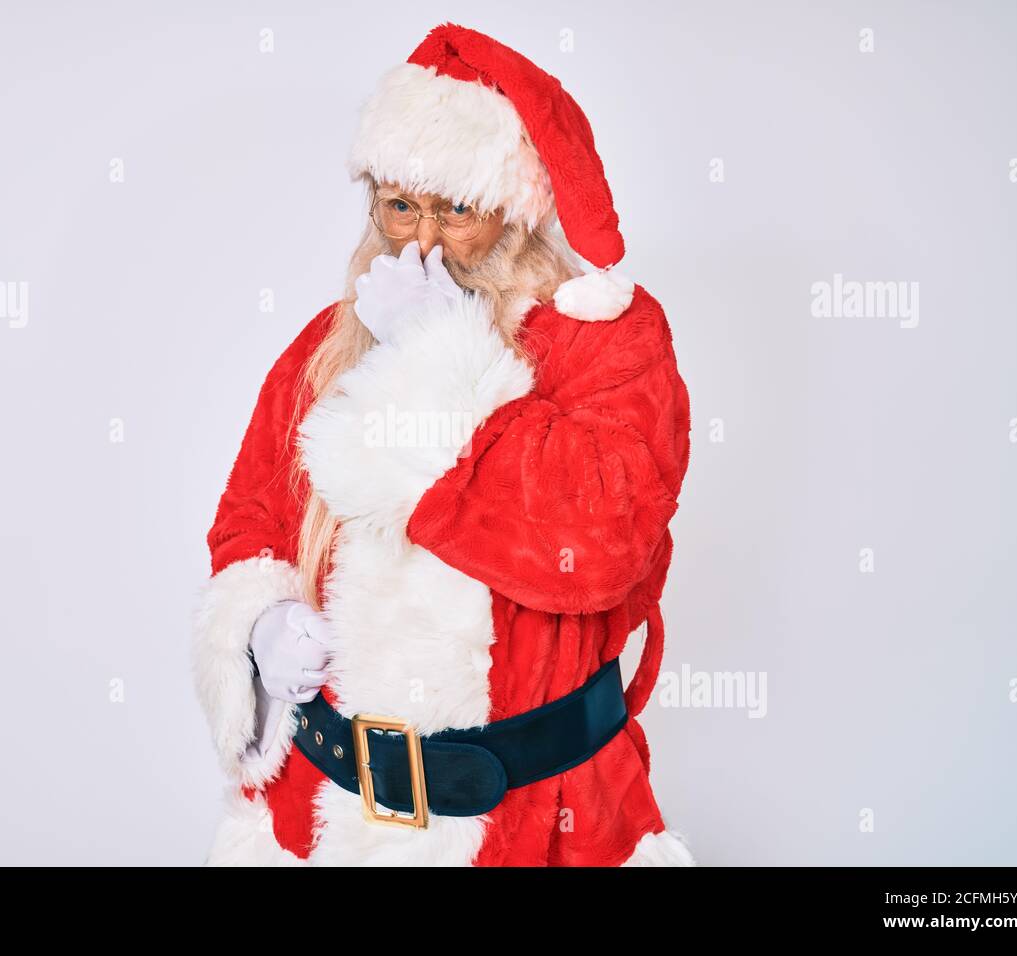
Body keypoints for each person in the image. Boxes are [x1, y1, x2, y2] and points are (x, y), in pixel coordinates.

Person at [192, 22, 694, 866]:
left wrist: (434, 361)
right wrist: (260, 622)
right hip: (323, 818)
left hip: (537, 824)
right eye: (398, 206)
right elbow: (249, 517)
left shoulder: (610, 343)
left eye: (455, 209)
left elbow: (598, 542)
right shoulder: (330, 344)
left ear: (515, 210)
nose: (418, 243)